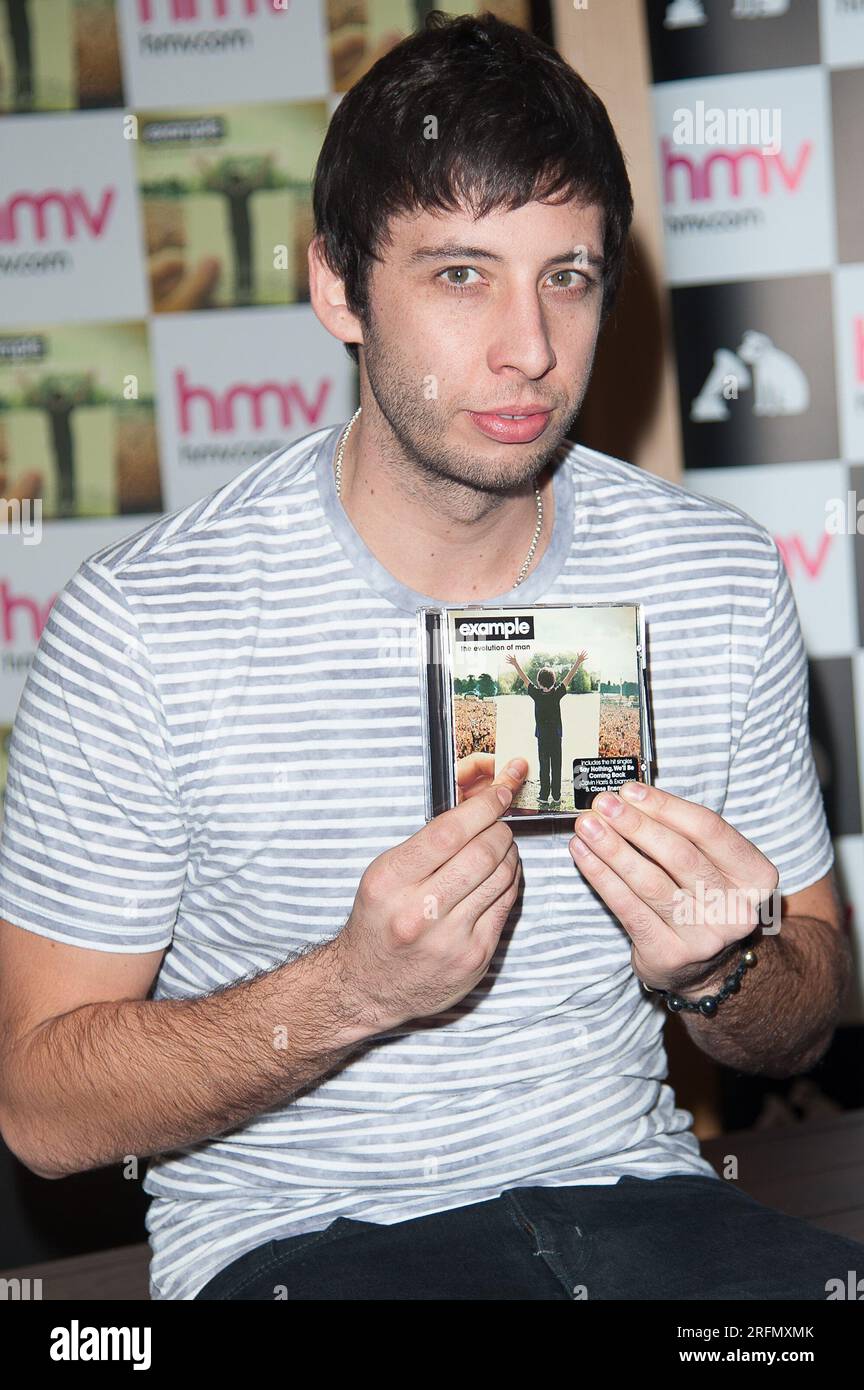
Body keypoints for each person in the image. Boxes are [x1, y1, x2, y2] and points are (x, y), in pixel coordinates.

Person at [0, 13, 859, 1303]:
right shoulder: (145, 624)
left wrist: (722, 969)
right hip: (301, 1244)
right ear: (338, 287)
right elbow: (42, 1105)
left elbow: (818, 987)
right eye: (461, 274)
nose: (529, 346)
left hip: (646, 1212)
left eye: (567, 276)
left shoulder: (715, 576)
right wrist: (351, 990)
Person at [505, 652, 588, 807]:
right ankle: (556, 797)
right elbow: (568, 678)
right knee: (557, 767)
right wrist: (578, 661)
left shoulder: (536, 694)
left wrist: (515, 663)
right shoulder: (557, 694)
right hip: (556, 737)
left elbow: (524, 679)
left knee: (544, 768)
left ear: (538, 681)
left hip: (542, 738)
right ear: (554, 681)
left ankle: (543, 796)